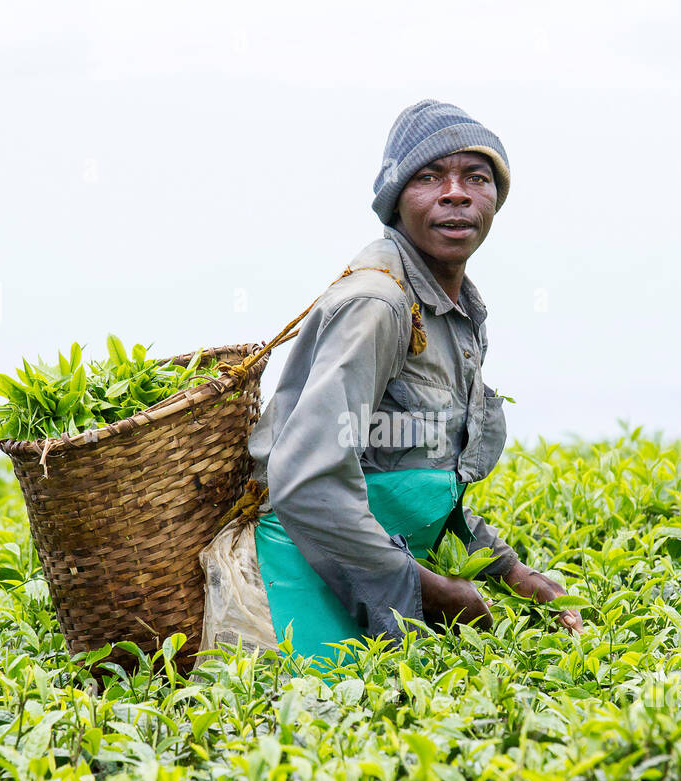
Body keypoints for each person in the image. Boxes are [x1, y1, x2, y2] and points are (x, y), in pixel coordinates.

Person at [204, 99, 583, 670]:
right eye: (430, 177)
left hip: (376, 569)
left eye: (475, 178)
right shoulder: (379, 304)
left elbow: (414, 478)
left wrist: (512, 572)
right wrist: (429, 590)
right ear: (395, 199)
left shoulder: (457, 313)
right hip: (303, 578)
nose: (455, 193)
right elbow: (308, 483)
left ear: (495, 200)